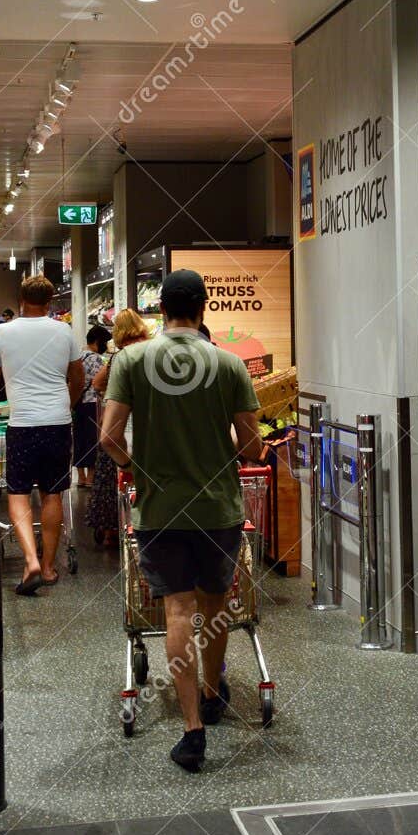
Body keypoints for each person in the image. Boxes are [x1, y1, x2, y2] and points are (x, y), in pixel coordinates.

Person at [100, 270, 263, 772]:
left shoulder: (131, 359)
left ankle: (192, 732)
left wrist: (138, 470)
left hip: (160, 508)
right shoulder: (229, 364)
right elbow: (253, 445)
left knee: (177, 611)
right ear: (203, 308)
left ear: (161, 309)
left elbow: (108, 437)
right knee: (215, 607)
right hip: (218, 509)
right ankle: (213, 694)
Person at [0, 274, 84, 595]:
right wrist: (67, 404)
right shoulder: (64, 331)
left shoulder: (2, 332)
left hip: (22, 423)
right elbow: (78, 377)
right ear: (50, 302)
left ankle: (30, 560)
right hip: (57, 421)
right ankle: (50, 566)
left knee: (19, 493)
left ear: (21, 299)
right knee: (52, 494)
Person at [86, 310, 150, 543]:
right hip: (147, 426)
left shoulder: (118, 357)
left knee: (113, 474)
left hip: (119, 425)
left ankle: (113, 529)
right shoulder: (153, 353)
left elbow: (96, 382)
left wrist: (110, 394)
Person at [74, 324, 110, 490]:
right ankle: (91, 477)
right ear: (96, 341)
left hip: (77, 403)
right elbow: (97, 384)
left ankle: (80, 477)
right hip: (91, 403)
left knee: (79, 439)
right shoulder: (95, 358)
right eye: (104, 342)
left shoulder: (78, 356)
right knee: (92, 440)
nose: (106, 346)